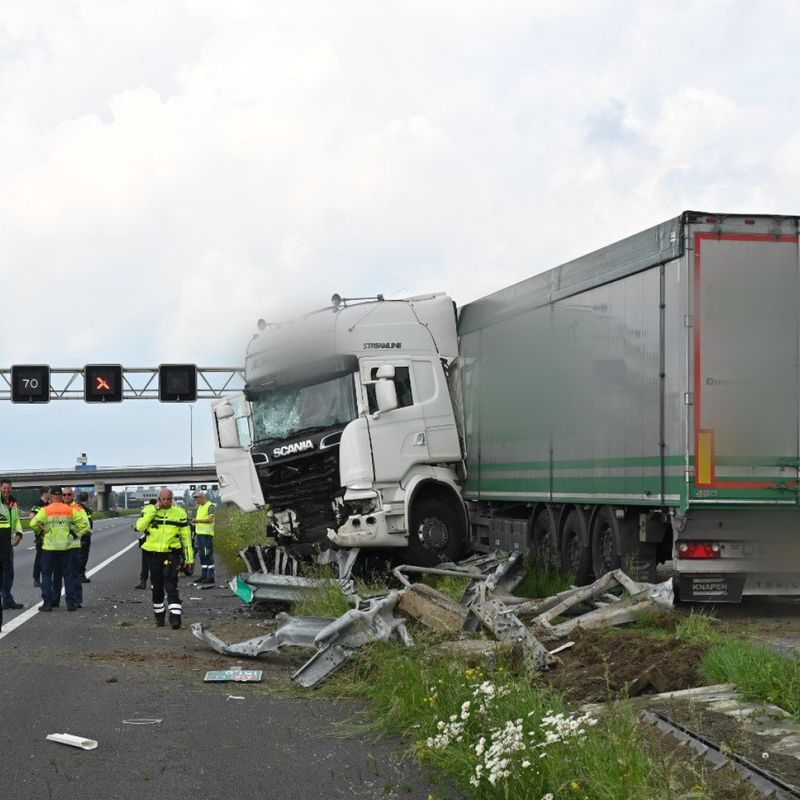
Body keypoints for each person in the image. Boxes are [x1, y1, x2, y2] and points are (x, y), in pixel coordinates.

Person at [135, 488, 193, 629]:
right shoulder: (149, 510)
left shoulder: (180, 513)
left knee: (171, 584)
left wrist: (189, 558)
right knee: (157, 587)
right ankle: (159, 617)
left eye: (169, 499)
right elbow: (140, 526)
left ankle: (175, 618)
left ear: (172, 499)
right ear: (159, 499)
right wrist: (154, 510)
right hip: (153, 555)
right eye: (164, 499)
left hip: (171, 553)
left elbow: (186, 538)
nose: (166, 502)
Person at [29, 487, 89, 612]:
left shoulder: (46, 510)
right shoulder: (69, 509)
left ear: (51, 496)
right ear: (61, 496)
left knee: (47, 575)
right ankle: (71, 603)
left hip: (49, 547)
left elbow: (33, 523)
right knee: (68, 574)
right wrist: (73, 533)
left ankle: (48, 603)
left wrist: (41, 531)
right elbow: (84, 524)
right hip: (66, 546)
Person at [62, 488, 91, 606]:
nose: (66, 496)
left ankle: (76, 599)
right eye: (64, 494)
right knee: (59, 574)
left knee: (74, 573)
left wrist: (77, 535)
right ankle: (54, 600)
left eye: (69, 494)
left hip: (73, 545)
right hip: (58, 546)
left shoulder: (78, 508)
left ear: (73, 495)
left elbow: (87, 526)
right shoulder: (59, 508)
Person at [0, 478, 24, 612]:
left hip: (8, 543)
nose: (6, 490)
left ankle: (7, 600)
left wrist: (19, 534)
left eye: (8, 488)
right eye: (4, 488)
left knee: (9, 573)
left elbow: (16, 519)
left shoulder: (13, 502)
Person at [67, 490, 94, 583]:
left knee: (82, 556)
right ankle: (80, 575)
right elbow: (74, 523)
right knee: (82, 557)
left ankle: (79, 574)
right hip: (82, 536)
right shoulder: (80, 509)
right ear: (88, 499)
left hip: (82, 535)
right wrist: (80, 534)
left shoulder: (84, 508)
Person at [190, 491, 217, 584]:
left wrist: (197, 521)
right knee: (202, 555)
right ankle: (204, 575)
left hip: (206, 535)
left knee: (207, 554)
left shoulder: (210, 506)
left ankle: (210, 576)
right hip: (200, 534)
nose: (196, 501)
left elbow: (210, 520)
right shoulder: (200, 507)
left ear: (202, 498)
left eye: (197, 499)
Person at [30, 487, 51, 587]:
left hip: (49, 535)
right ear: (44, 493)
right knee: (39, 558)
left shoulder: (48, 505)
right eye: (49, 493)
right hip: (41, 535)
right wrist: (42, 529)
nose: (50, 494)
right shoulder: (38, 504)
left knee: (48, 558)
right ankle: (36, 579)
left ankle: (46, 578)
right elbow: (31, 517)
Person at [134, 500, 157, 590]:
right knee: (156, 564)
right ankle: (154, 583)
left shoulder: (145, 510)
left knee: (145, 563)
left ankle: (143, 582)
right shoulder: (158, 510)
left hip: (147, 541)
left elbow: (140, 525)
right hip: (159, 541)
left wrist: (136, 528)